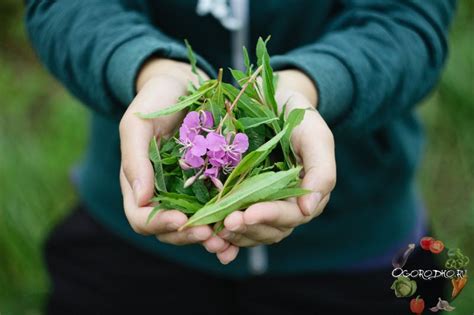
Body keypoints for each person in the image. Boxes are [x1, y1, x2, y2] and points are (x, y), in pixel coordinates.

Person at [25, 0, 456, 314]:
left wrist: (309, 87)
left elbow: (408, 20)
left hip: (358, 245)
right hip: (132, 238)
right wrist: (149, 69)